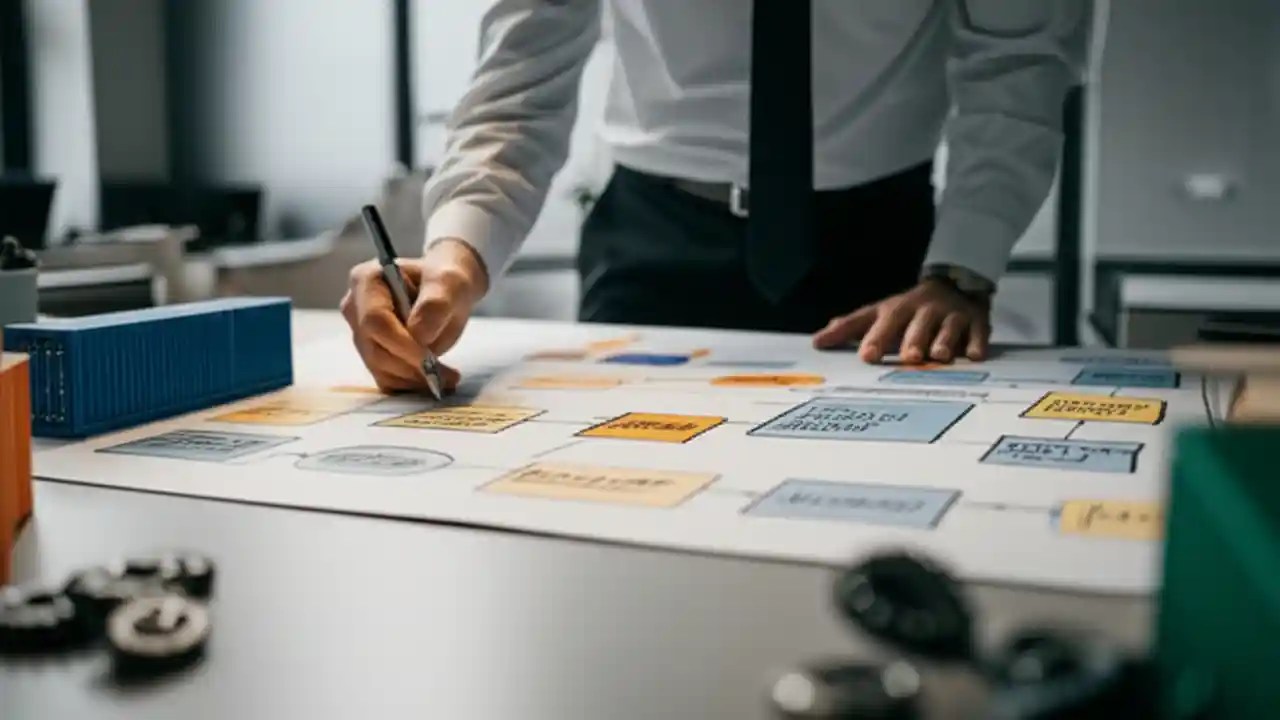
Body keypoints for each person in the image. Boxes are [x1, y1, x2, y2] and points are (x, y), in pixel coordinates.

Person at [342, 1, 1090, 392]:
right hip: (652, 239)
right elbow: (518, 80)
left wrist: (963, 267)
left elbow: (1019, 58)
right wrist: (456, 258)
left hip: (888, 264)